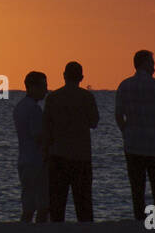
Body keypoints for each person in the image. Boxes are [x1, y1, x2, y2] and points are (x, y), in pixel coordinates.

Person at [115, 49, 155, 222]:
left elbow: (118, 115)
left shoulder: (124, 86)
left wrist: (126, 132)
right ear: (144, 63)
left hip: (133, 146)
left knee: (137, 189)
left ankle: (140, 222)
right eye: (152, 63)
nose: (154, 68)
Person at [42, 61, 99, 222]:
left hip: (58, 155)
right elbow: (94, 122)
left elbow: (46, 127)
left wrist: (45, 152)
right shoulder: (87, 97)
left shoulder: (53, 97)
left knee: (57, 204)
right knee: (84, 205)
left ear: (64, 76)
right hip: (81, 156)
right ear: (81, 77)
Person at [13, 71, 49, 222]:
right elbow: (38, 136)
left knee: (28, 204)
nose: (46, 90)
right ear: (33, 87)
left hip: (24, 160)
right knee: (43, 205)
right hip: (36, 162)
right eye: (43, 86)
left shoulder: (19, 107)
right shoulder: (34, 109)